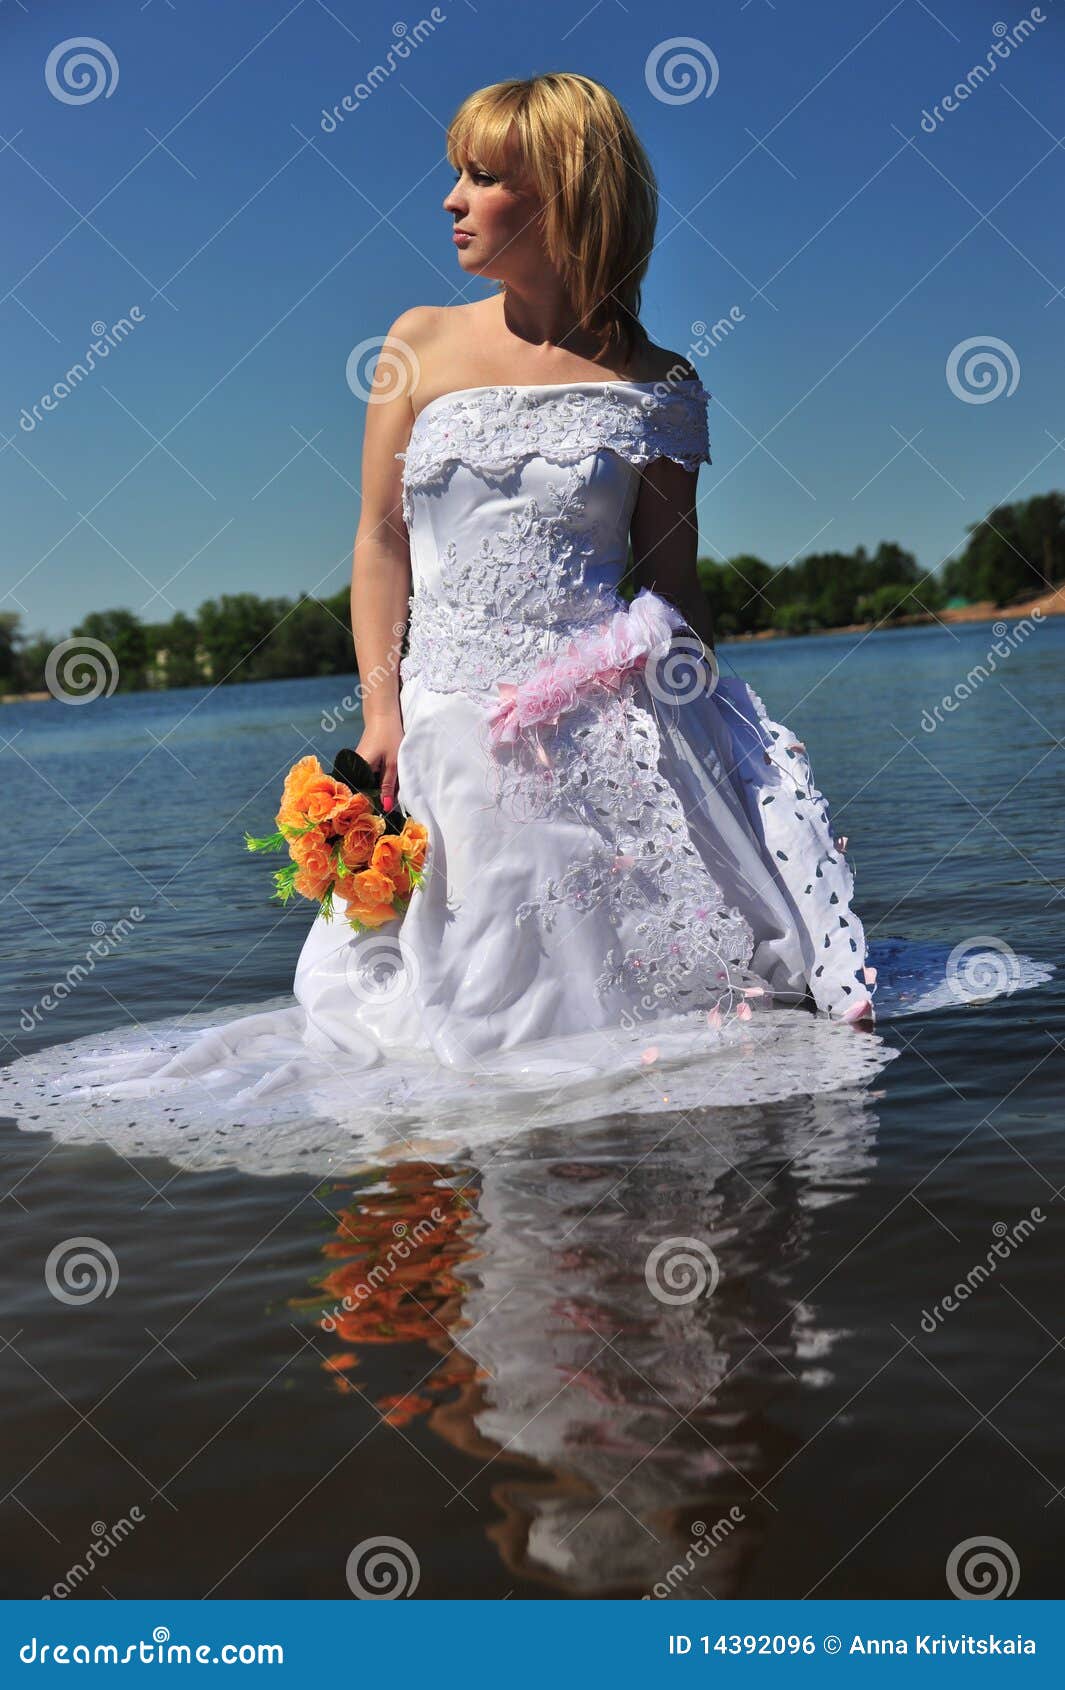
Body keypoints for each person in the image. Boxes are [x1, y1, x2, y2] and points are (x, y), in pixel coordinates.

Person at [12, 72, 1044, 1175]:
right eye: (456, 172)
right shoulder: (418, 342)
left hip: (609, 729)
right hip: (448, 723)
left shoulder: (661, 382)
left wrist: (709, 741)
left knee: (667, 1044)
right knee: (453, 1030)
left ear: (564, 197)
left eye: (483, 177)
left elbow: (670, 587)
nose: (452, 199)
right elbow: (379, 542)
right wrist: (381, 717)